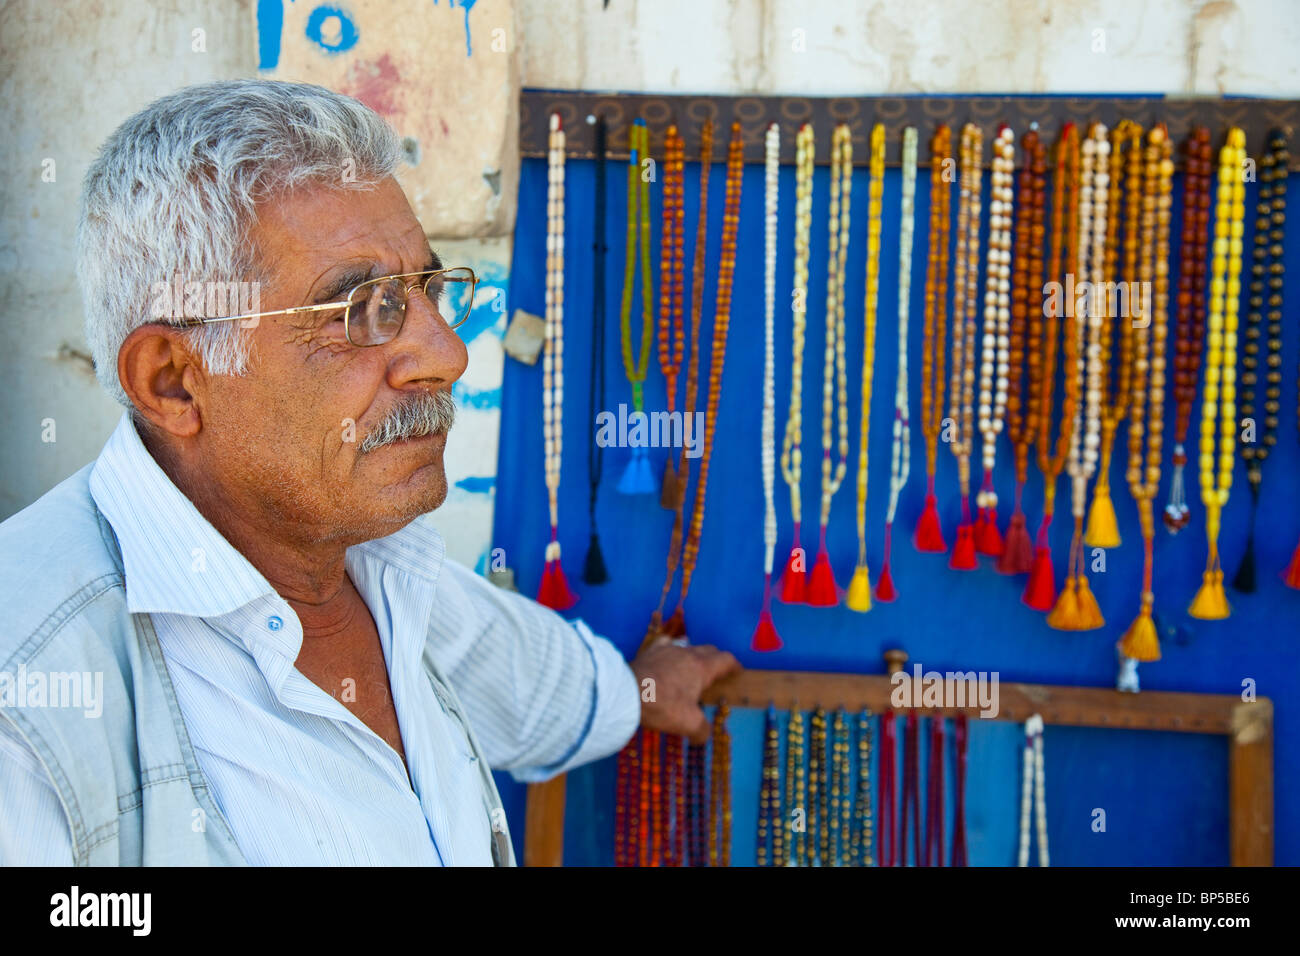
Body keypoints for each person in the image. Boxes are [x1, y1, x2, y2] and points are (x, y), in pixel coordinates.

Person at [0, 79, 739, 865]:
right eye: (360, 309)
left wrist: (645, 688)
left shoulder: (380, 567)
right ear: (174, 380)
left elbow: (545, 690)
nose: (449, 356)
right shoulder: (32, 701)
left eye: (427, 290)